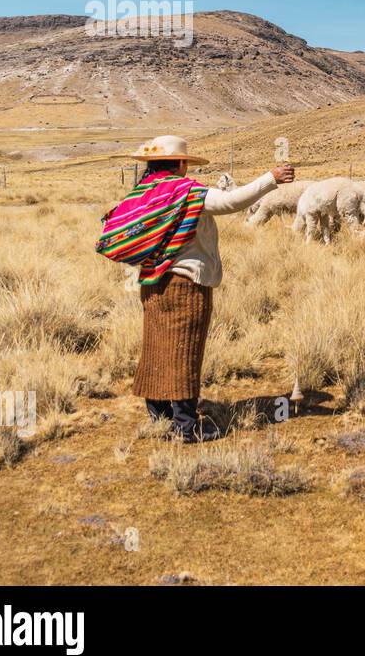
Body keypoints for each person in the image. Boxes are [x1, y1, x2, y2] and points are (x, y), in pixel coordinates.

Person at [116, 135, 294, 441]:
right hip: (186, 284)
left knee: (158, 349)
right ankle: (185, 426)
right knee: (184, 350)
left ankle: (160, 415)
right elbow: (229, 202)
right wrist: (270, 179)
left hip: (151, 283)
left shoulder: (144, 193)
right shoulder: (185, 191)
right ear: (182, 163)